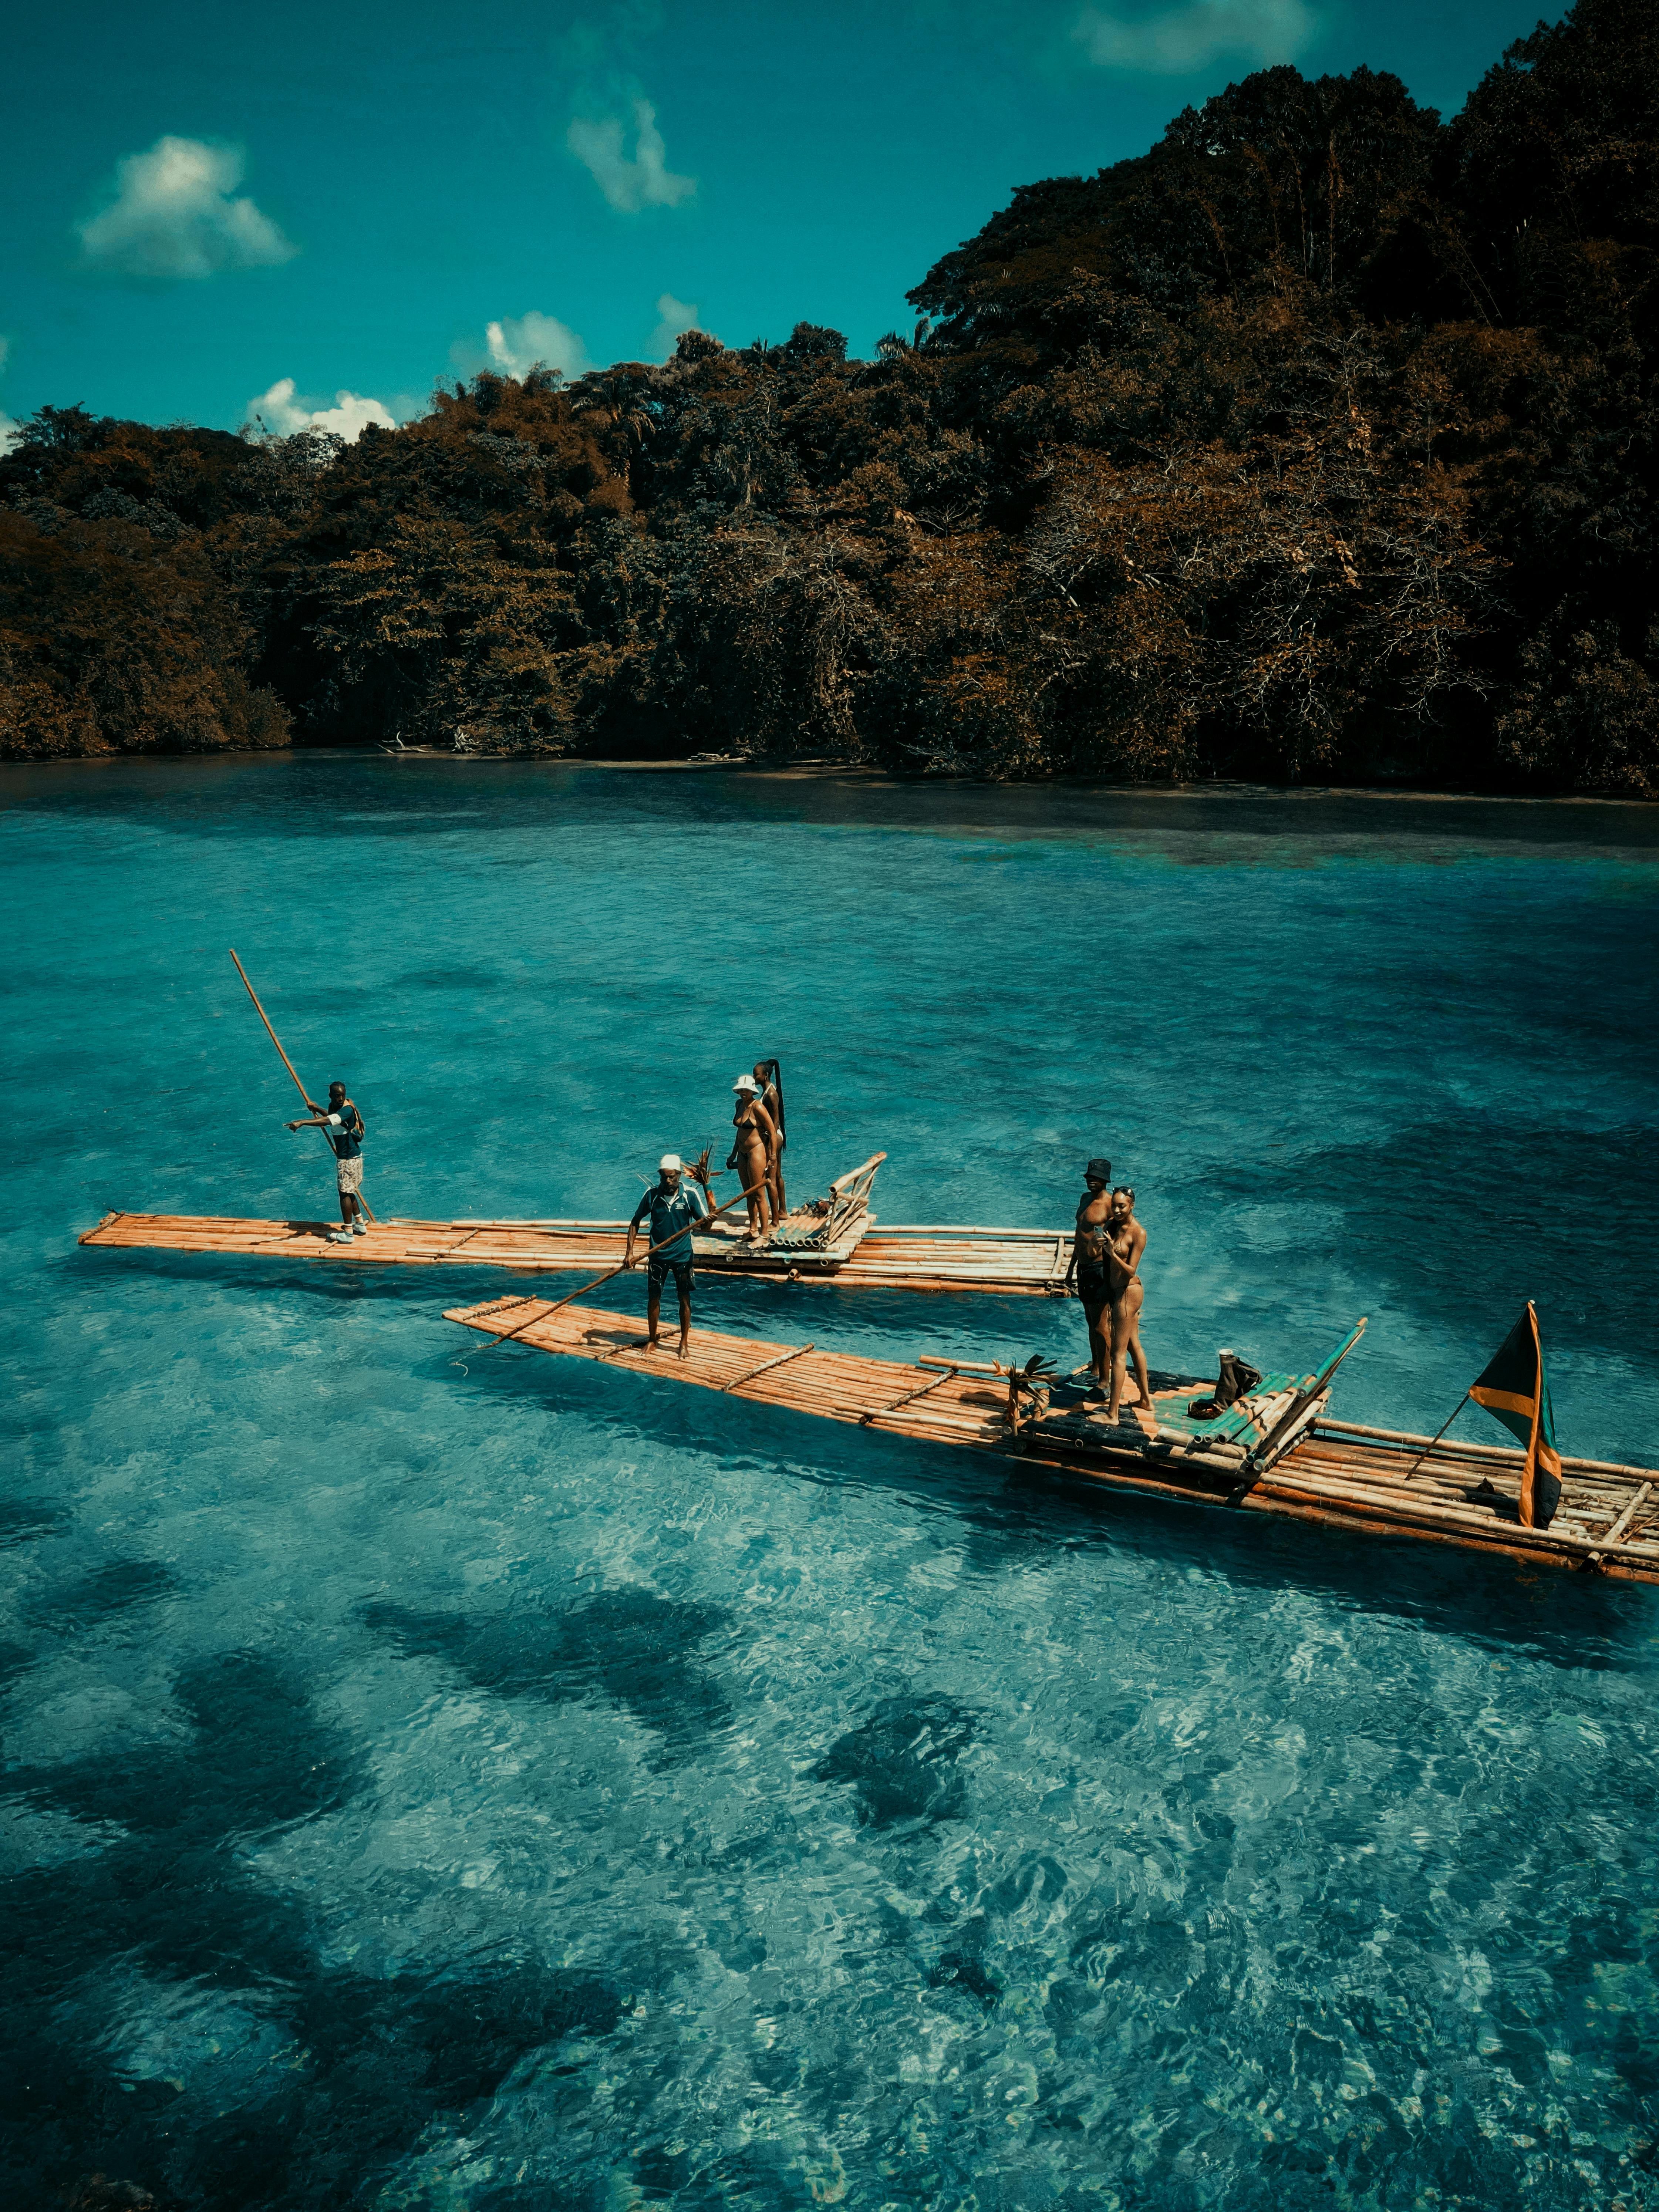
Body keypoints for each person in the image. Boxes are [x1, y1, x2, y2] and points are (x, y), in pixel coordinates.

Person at [626, 1153, 709, 1358]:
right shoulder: (652, 1195)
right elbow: (635, 1221)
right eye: (664, 1177)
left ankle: (684, 1343)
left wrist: (710, 1221)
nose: (668, 1181)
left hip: (682, 1256)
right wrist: (630, 1252)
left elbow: (704, 1226)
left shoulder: (690, 1196)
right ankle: (652, 1340)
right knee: (654, 1298)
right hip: (658, 1257)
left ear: (680, 1175)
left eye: (672, 1177)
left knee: (684, 1299)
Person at [286, 1082, 367, 1244]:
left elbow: (327, 1122)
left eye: (343, 1095)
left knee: (344, 1193)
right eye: (337, 1096)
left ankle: (349, 1234)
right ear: (331, 1096)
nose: (341, 1098)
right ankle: (360, 1225)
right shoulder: (334, 1107)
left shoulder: (348, 1110)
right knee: (349, 1190)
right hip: (348, 1158)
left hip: (350, 1159)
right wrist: (316, 1109)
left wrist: (303, 1122)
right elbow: (330, 1118)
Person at [1103, 1186, 1153, 1426]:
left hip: (1128, 1293)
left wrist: (1113, 1255)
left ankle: (1112, 1415)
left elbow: (1132, 1269)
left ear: (1132, 1205)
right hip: (1118, 1292)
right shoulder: (1113, 1225)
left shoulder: (1138, 1233)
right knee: (1134, 1345)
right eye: (1114, 1205)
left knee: (1117, 1354)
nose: (1116, 1210)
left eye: (1121, 1206)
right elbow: (1099, 1248)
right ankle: (1145, 1400)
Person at [1064, 1158, 1115, 1393]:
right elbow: (1079, 1236)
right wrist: (1071, 1267)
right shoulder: (1085, 1200)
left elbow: (1120, 1238)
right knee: (1090, 1322)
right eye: (1089, 1177)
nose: (1092, 1181)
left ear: (1106, 1180)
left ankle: (1105, 1382)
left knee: (1101, 1326)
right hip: (1083, 1267)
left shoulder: (1110, 1205)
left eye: (1097, 1178)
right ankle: (1096, 1369)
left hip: (1100, 1269)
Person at [727, 1075, 776, 1237]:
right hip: (742, 1152)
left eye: (746, 1090)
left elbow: (772, 1130)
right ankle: (753, 1229)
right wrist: (733, 1154)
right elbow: (740, 1132)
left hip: (757, 1151)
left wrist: (773, 1156)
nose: (743, 1092)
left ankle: (764, 1233)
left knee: (759, 1194)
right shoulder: (739, 1105)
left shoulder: (758, 1107)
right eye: (741, 1090)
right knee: (748, 1193)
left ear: (752, 1091)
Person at [753, 1058, 786, 1219]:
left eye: (756, 1075)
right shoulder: (769, 1090)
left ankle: (774, 1220)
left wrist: (769, 1140)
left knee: (770, 1179)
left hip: (773, 1137)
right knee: (778, 1175)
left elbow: (776, 1120)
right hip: (776, 1135)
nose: (754, 1078)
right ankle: (783, 1211)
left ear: (765, 1076)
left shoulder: (771, 1094)